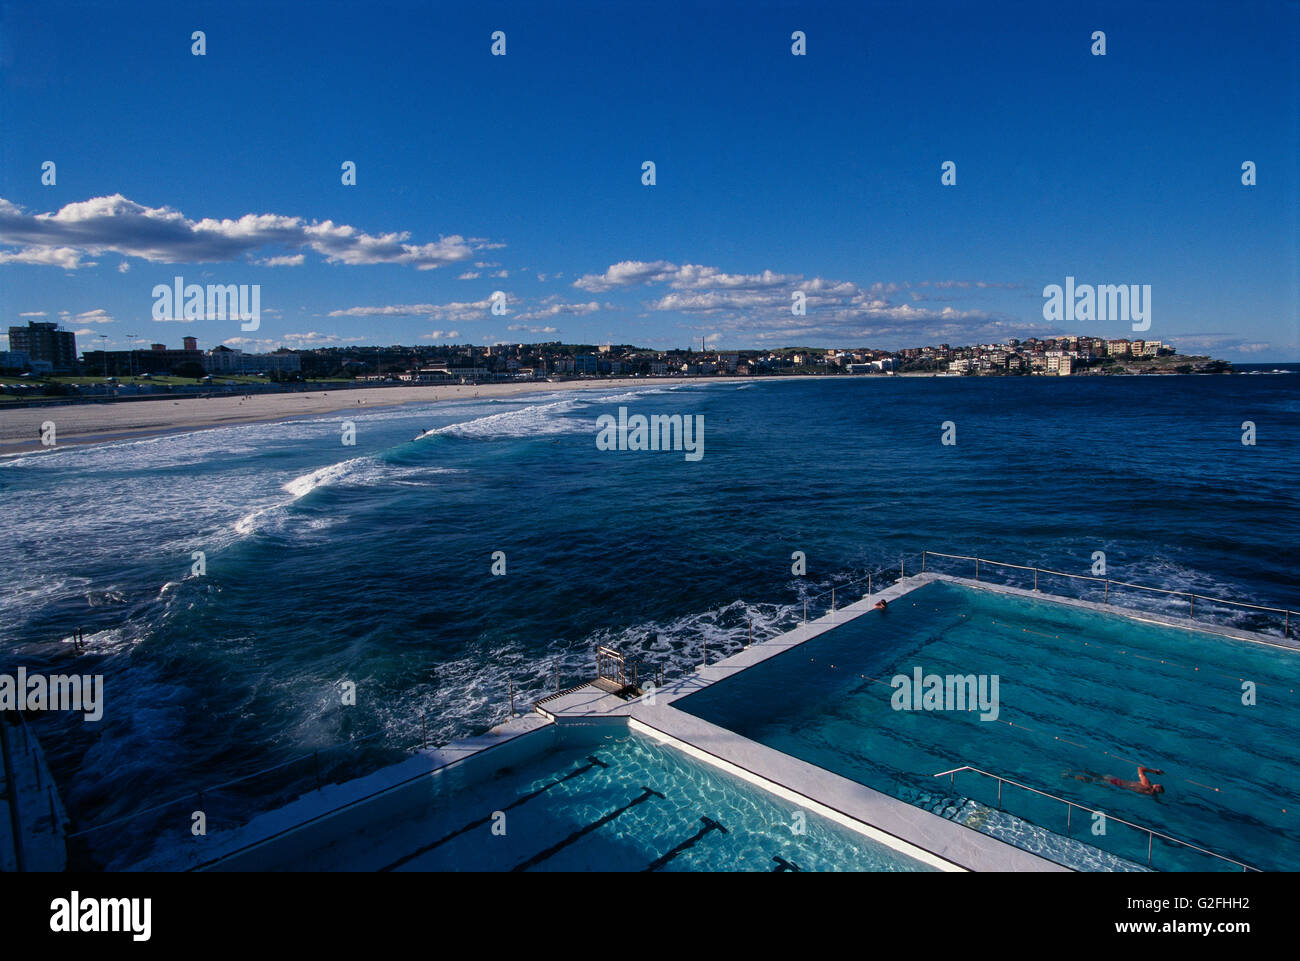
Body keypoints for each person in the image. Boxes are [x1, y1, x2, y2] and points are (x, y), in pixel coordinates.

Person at [1068, 765, 1165, 797]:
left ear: (1156, 786)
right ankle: (1072, 775)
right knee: (1093, 780)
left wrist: (1155, 772)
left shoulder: (1146, 784)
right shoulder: (1149, 793)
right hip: (1117, 786)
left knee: (1094, 777)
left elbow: (1140, 768)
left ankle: (1072, 773)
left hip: (1115, 781)